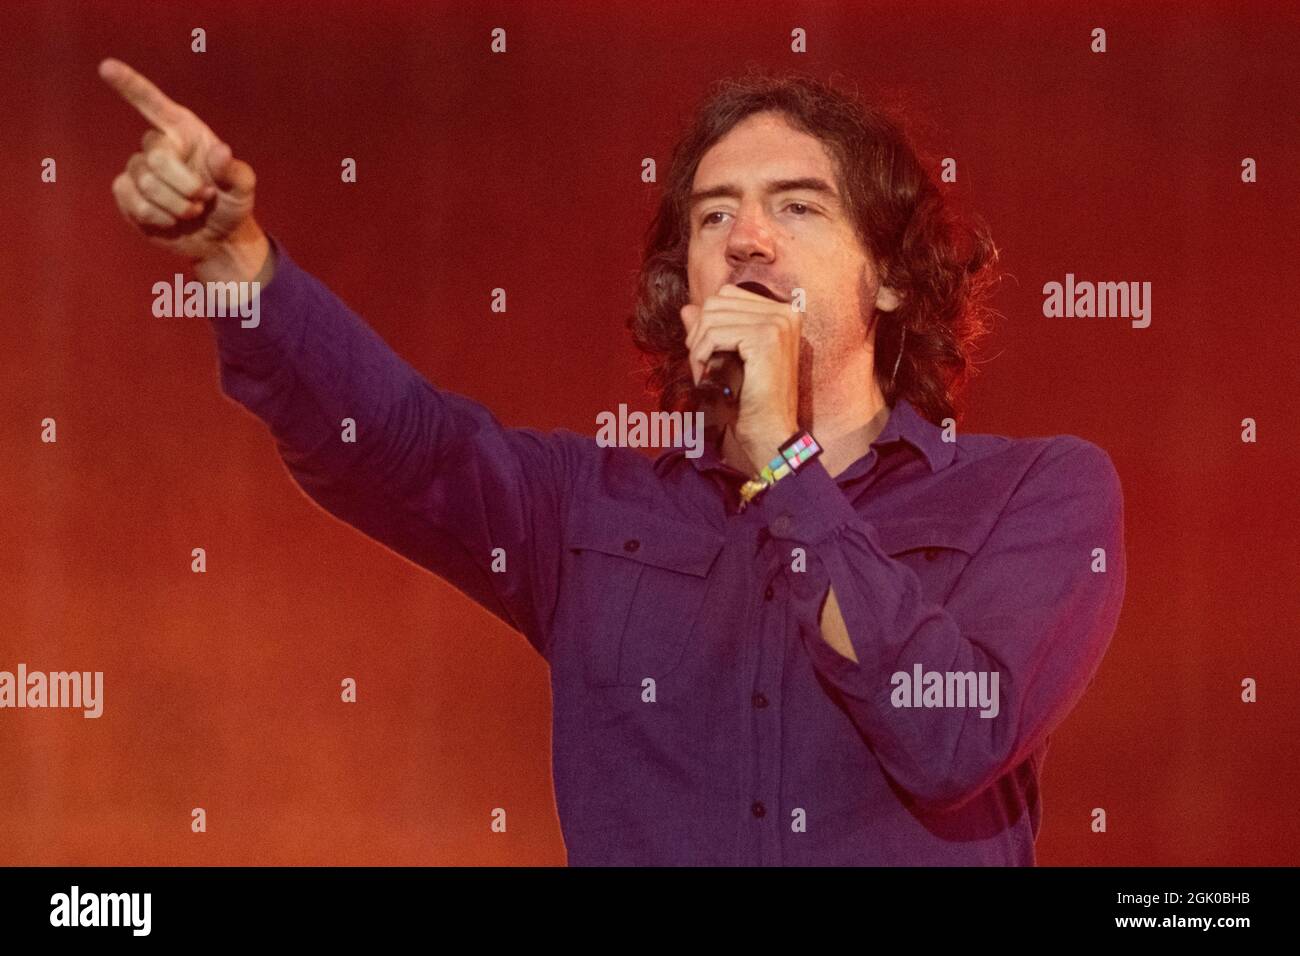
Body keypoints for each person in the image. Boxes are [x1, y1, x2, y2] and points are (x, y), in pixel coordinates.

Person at [101, 59, 1126, 865]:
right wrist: (235, 261)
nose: (747, 238)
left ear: (893, 279)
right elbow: (395, 446)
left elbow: (947, 738)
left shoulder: (1036, 494)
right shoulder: (587, 507)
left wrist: (784, 459)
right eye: (713, 213)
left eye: (799, 205)